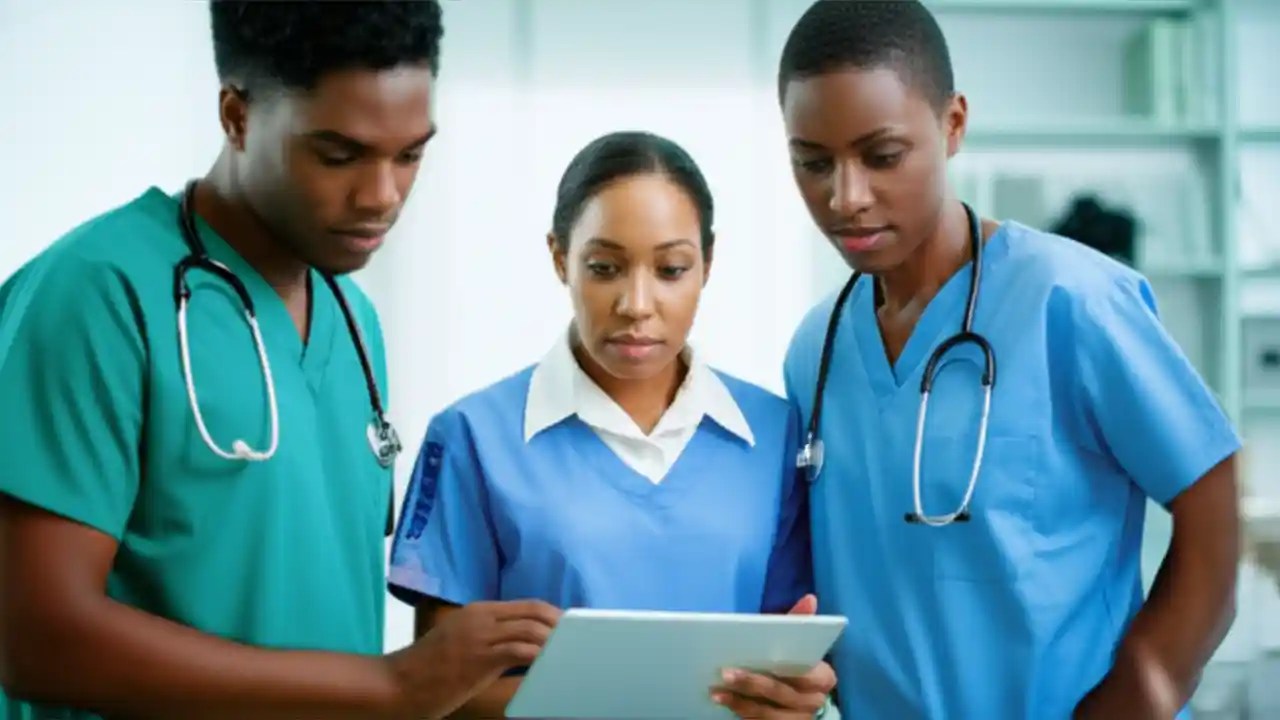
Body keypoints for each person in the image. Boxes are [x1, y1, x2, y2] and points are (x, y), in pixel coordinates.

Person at [0, 3, 560, 720]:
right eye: (338, 155)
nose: (381, 196)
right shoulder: (97, 295)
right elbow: (39, 640)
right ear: (236, 115)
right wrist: (391, 688)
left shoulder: (355, 324)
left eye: (410, 154)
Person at [775, 2, 1241, 718]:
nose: (847, 197)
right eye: (813, 163)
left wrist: (1144, 686)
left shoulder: (1073, 302)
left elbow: (1212, 502)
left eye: (882, 156)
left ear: (953, 124)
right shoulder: (818, 348)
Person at [387, 130, 837, 720]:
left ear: (708, 263)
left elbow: (788, 661)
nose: (636, 303)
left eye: (672, 269)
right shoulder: (474, 438)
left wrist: (799, 695)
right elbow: (439, 692)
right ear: (559, 258)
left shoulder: (775, 437)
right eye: (604, 268)